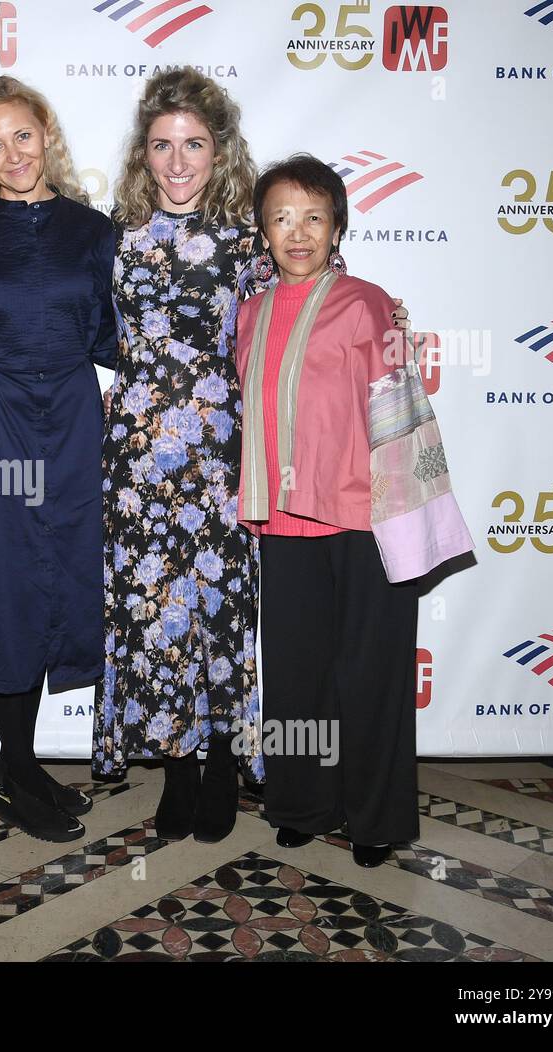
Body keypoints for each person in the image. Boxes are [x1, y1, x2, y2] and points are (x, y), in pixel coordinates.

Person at [235, 153, 474, 868]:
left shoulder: (369, 303)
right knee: (297, 674)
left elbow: (401, 414)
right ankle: (302, 802)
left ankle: (374, 817)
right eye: (281, 218)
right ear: (262, 230)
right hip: (284, 521)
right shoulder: (246, 313)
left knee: (371, 672)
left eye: (313, 216)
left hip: (367, 518)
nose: (297, 232)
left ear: (337, 225)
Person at [0, 76, 116, 843]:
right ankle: (13, 765)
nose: (11, 154)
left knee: (66, 576)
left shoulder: (95, 230)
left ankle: (25, 765)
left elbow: (119, 333)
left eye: (22, 136)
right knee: (2, 584)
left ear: (48, 134)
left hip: (72, 420)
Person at [92, 69, 263, 845]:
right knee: (154, 612)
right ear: (143, 154)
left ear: (219, 150)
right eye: (162, 145)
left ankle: (222, 757)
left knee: (219, 609)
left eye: (193, 144)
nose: (178, 161)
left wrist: (380, 314)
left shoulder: (251, 242)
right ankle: (179, 764)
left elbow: (304, 315)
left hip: (221, 452)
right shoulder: (116, 237)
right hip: (135, 460)